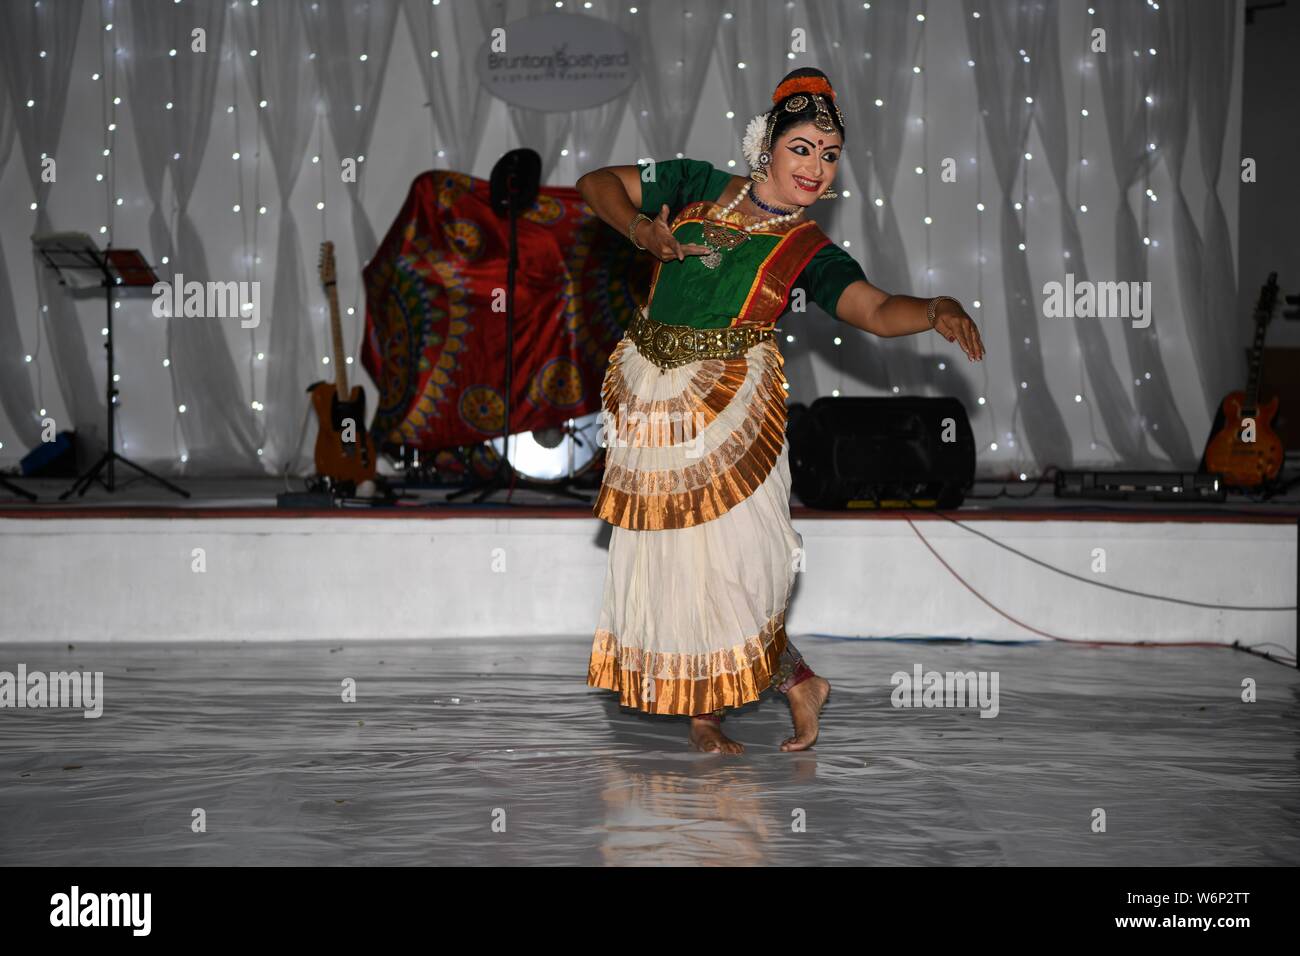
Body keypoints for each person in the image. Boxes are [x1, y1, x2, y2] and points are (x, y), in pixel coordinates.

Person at [576, 67, 984, 755]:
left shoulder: (808, 250)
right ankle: (748, 700)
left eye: (828, 156)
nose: (816, 168)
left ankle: (765, 691)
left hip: (733, 407)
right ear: (766, 147)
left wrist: (933, 309)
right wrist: (642, 229)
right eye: (802, 148)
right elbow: (596, 186)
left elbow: (878, 311)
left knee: (738, 562)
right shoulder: (696, 183)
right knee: (676, 558)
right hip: (655, 391)